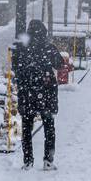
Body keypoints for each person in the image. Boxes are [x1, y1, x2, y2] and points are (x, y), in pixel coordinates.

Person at [12, 19, 63, 171]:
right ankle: (48, 160)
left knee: (27, 127)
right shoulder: (48, 47)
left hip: (27, 92)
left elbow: (15, 67)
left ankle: (28, 161)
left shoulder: (21, 48)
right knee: (49, 126)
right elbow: (59, 64)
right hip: (46, 93)